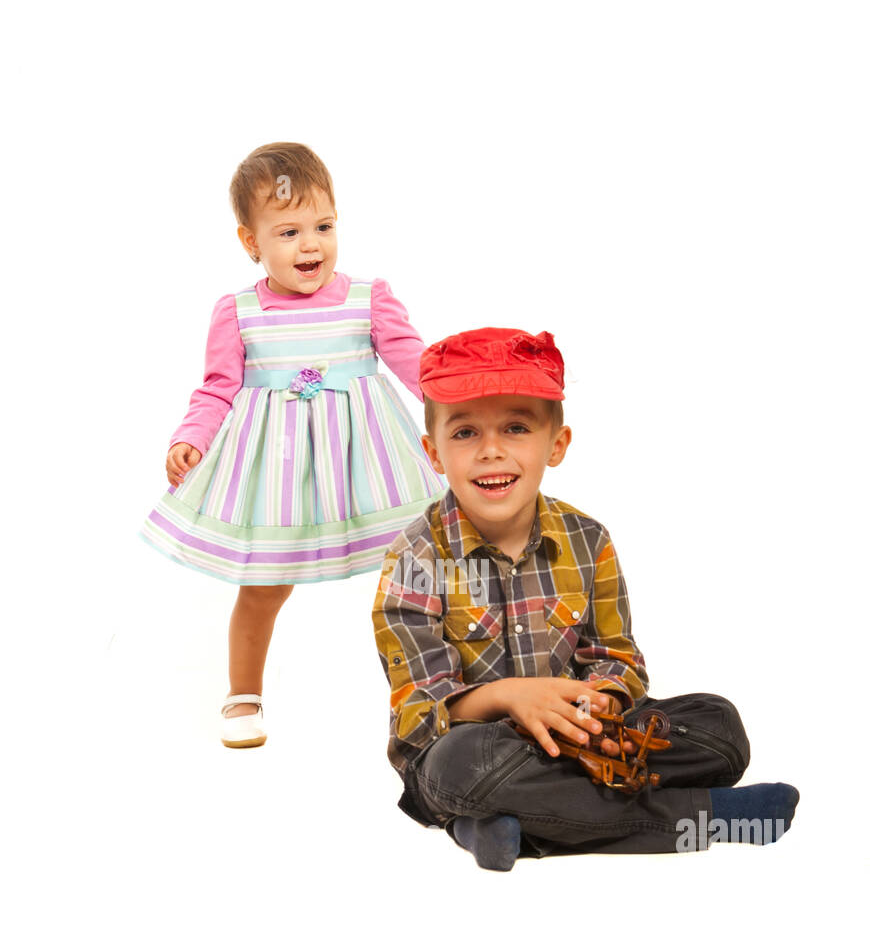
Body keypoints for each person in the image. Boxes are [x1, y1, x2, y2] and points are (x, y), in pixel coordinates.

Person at [372, 327, 799, 870]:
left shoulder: (587, 539)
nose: (491, 450)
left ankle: (511, 829)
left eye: (517, 427)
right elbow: (420, 703)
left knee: (721, 727)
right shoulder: (414, 557)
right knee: (461, 767)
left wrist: (604, 705)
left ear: (557, 444)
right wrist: (513, 697)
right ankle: (706, 819)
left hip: (580, 742)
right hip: (478, 749)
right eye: (465, 433)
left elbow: (615, 657)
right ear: (433, 452)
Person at [141, 142, 443, 747]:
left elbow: (421, 369)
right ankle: (243, 694)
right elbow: (217, 390)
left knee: (421, 567)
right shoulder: (239, 312)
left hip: (371, 468)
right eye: (288, 232)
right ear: (251, 242)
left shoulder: (368, 299)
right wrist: (191, 439)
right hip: (277, 475)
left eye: (323, 226)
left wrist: (457, 410)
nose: (311, 245)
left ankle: (438, 683)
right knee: (263, 584)